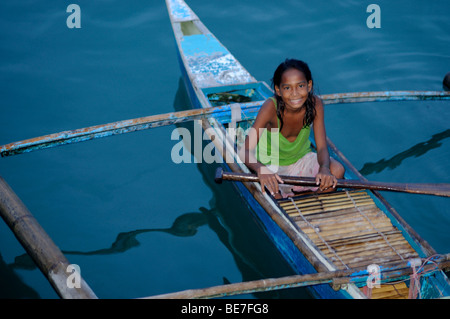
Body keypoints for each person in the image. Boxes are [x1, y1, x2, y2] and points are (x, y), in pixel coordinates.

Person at [239, 59, 345, 198]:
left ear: (309, 85)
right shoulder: (270, 108)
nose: (295, 93)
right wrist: (260, 169)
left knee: (337, 170)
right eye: (287, 88)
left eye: (300, 86)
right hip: (271, 167)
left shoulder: (315, 104)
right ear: (278, 90)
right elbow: (244, 151)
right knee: (273, 196)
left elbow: (321, 148)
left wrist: (324, 168)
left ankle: (306, 199)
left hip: (301, 161)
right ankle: (297, 195)